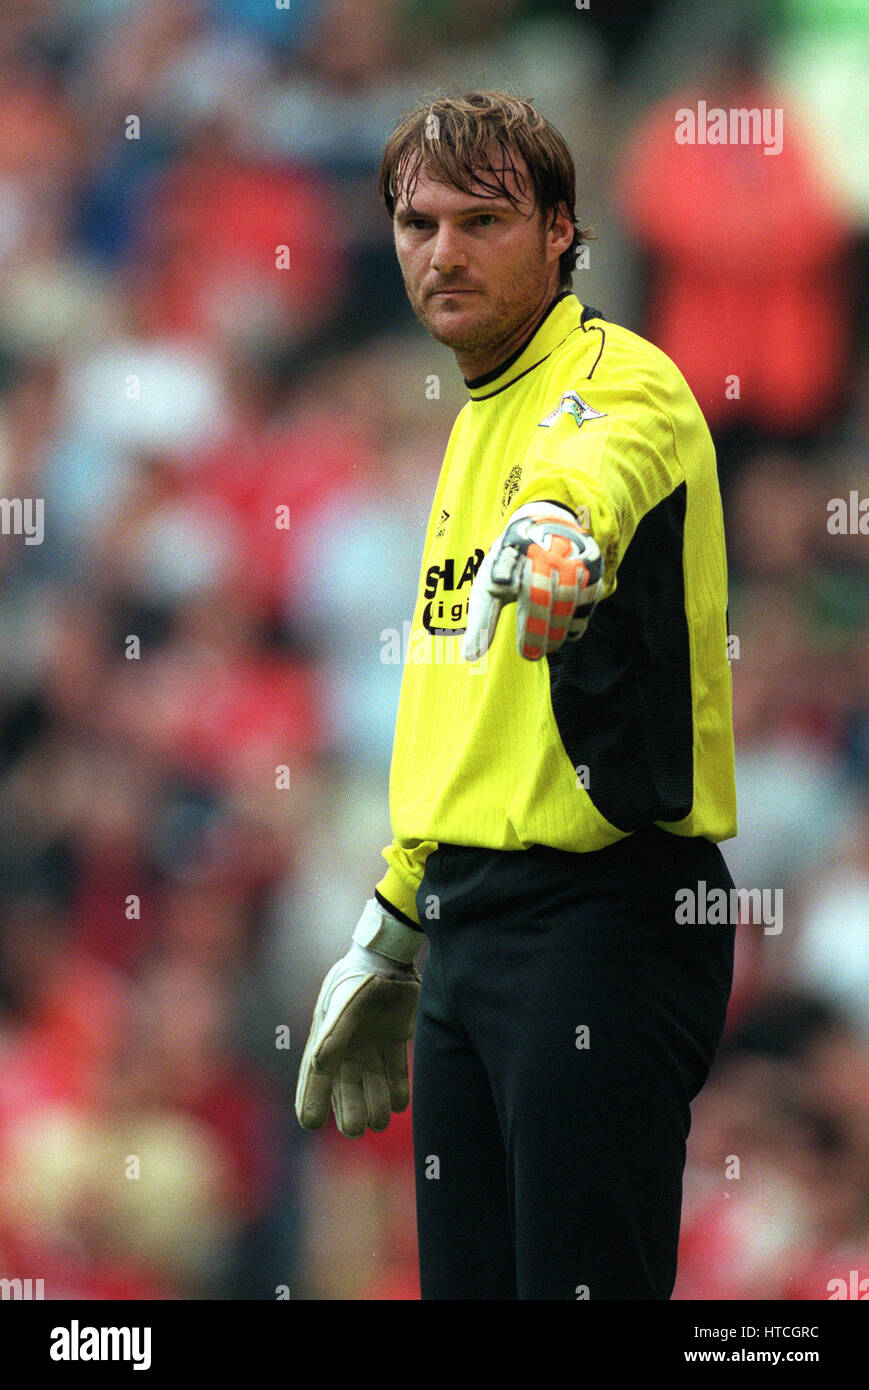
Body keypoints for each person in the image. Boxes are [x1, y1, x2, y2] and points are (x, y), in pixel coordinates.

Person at [295, 90, 738, 1301]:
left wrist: (556, 535)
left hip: (603, 920)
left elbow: (588, 473)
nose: (443, 252)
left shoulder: (619, 380)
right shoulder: (473, 417)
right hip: (467, 928)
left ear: (558, 231)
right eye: (418, 223)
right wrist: (393, 929)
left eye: (481, 221)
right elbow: (465, 718)